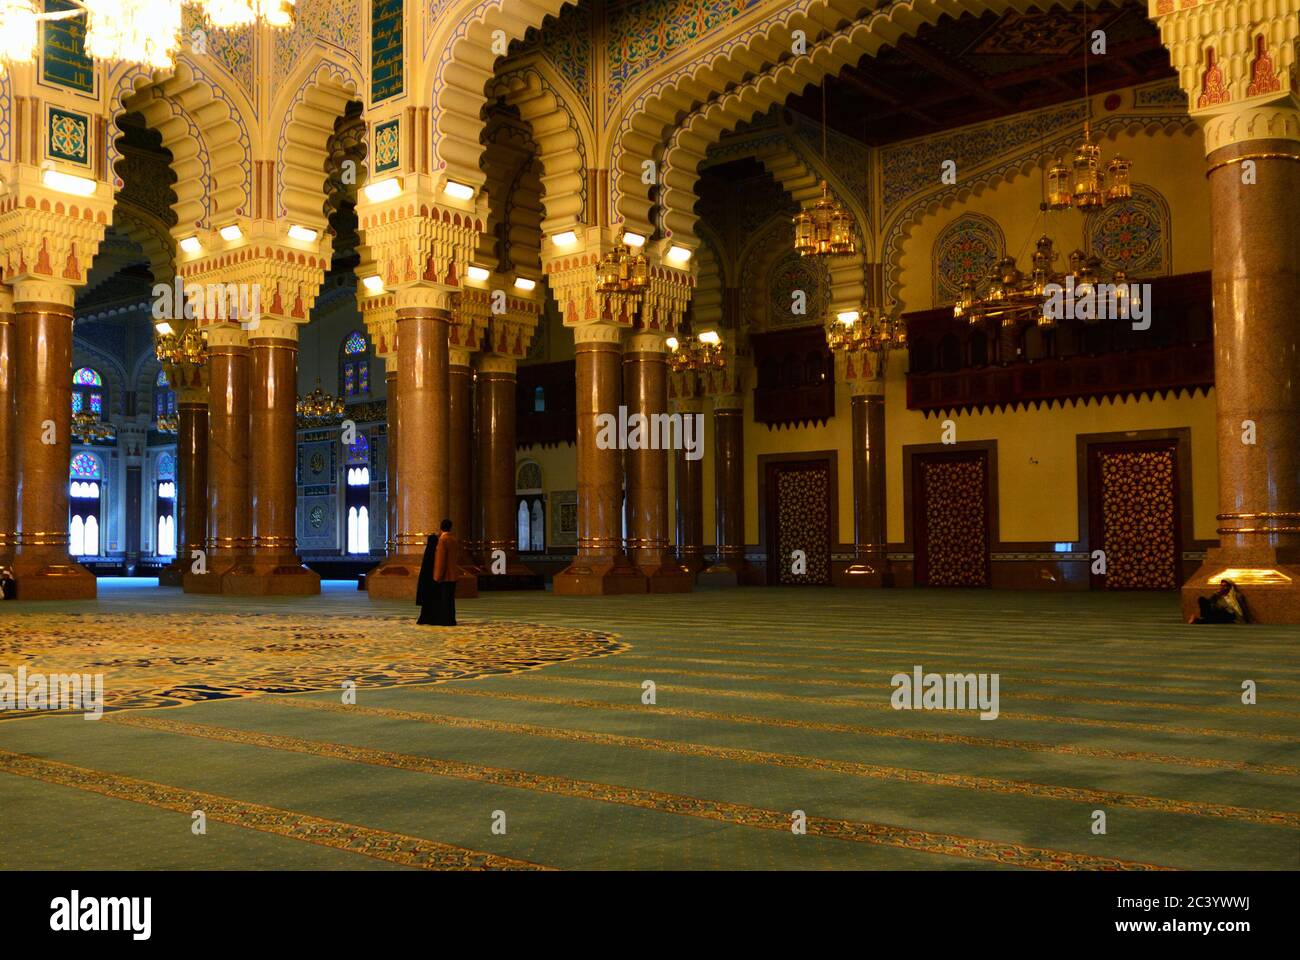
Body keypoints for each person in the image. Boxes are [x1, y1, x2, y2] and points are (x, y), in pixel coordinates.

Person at [432, 518, 460, 626]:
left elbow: (441, 560)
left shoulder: (442, 540)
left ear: (441, 527)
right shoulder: (454, 539)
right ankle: (451, 619)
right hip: (453, 574)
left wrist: (437, 576)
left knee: (445, 599)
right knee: (451, 599)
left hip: (445, 575)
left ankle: (445, 620)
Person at [415, 532, 441, 625]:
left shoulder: (428, 551)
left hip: (426, 581)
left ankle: (425, 619)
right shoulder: (435, 552)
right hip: (432, 580)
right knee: (433, 601)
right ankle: (432, 619)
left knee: (426, 603)